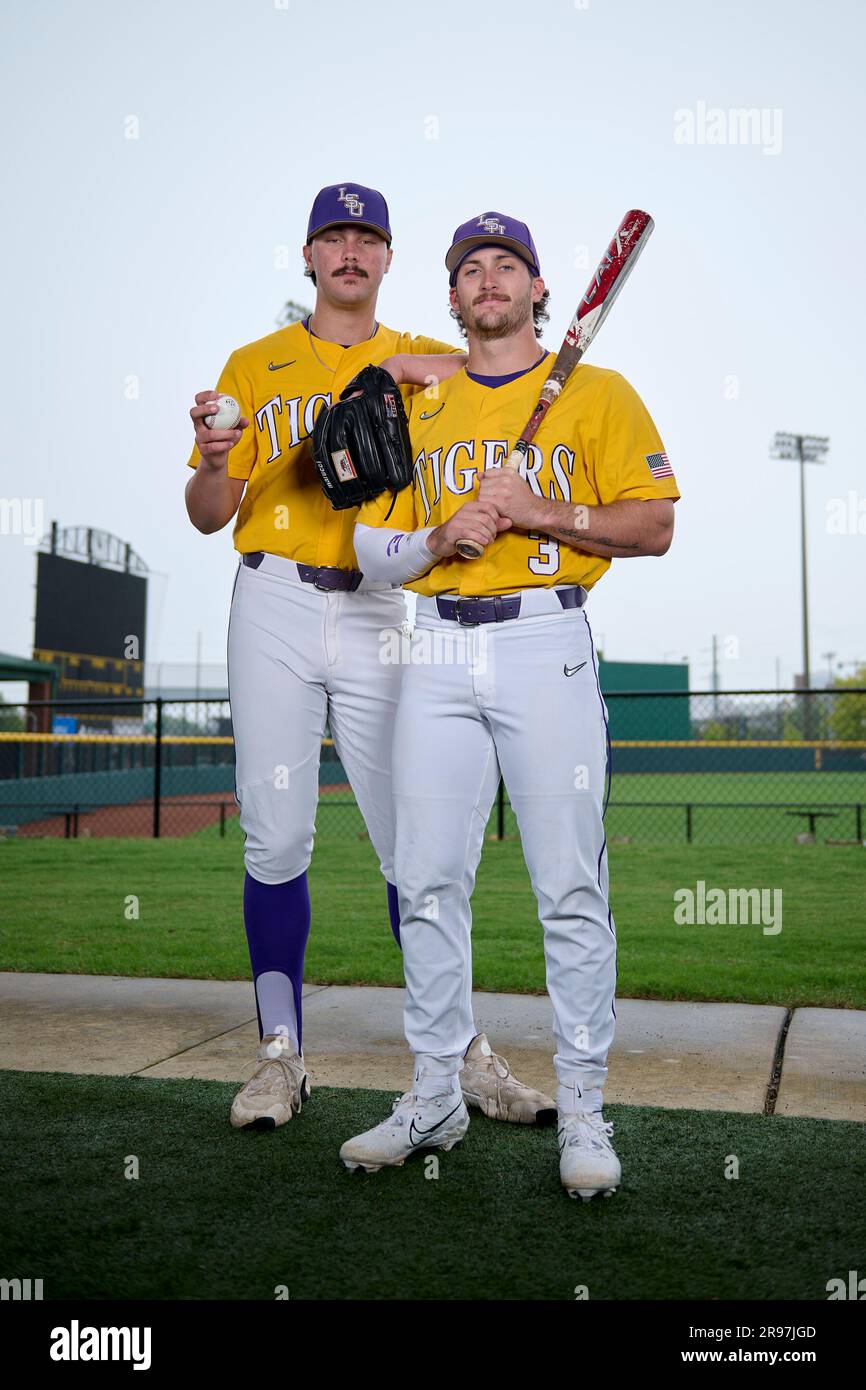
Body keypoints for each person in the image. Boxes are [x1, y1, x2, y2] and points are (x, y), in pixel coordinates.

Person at [185, 187, 555, 1132]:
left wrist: (394, 361)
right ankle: (279, 1057)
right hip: (271, 596)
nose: (350, 250)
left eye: (368, 237)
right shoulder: (254, 364)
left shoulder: (430, 365)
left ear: (388, 260)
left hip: (383, 604)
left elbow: (496, 366)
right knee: (275, 837)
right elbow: (205, 510)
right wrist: (218, 459)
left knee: (416, 845)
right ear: (308, 256)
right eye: (334, 237)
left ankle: (459, 1050)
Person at [342, 211, 680, 1198]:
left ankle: (581, 1108)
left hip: (545, 639)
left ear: (538, 291)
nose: (487, 277)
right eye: (468, 268)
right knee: (426, 878)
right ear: (451, 299)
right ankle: (434, 1092)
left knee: (567, 885)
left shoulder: (596, 392)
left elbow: (651, 522)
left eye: (506, 264)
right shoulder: (423, 410)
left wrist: (538, 511)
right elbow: (373, 551)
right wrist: (438, 536)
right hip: (436, 644)